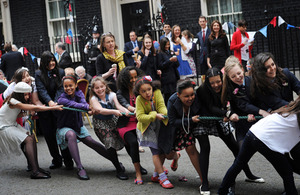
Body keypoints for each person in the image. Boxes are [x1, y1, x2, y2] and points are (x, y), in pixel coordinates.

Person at [195, 68, 263, 195]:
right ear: (207, 82)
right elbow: (210, 107)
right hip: (203, 118)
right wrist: (227, 113)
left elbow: (234, 102)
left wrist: (234, 113)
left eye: (218, 82)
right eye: (212, 83)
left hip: (220, 118)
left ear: (222, 79)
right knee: (205, 147)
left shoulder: (227, 86)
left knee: (235, 147)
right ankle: (204, 183)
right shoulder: (202, 89)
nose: (216, 85)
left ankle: (249, 174)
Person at [218, 97, 300, 195]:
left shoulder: (288, 109)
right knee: (287, 172)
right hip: (266, 141)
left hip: (253, 132)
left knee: (238, 164)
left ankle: (222, 191)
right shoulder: (296, 117)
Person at [56, 75, 126, 180]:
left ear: (76, 85)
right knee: (71, 135)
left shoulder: (79, 93)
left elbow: (83, 102)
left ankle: (115, 162)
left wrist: (87, 107)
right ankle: (80, 168)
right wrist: (88, 107)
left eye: (71, 85)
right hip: (64, 127)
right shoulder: (62, 98)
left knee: (91, 142)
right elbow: (73, 104)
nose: (68, 88)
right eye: (66, 86)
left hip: (78, 126)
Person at [0, 82, 63, 179]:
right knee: (28, 139)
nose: (26, 97)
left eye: (27, 94)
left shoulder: (15, 100)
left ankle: (35, 167)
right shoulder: (13, 100)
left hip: (11, 124)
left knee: (32, 137)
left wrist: (28, 113)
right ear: (19, 94)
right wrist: (52, 107)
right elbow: (35, 107)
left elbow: (16, 114)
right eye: (24, 95)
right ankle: (35, 171)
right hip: (4, 126)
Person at [135, 76, 179, 189]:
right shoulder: (139, 99)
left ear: (152, 87)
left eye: (149, 89)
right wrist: (154, 115)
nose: (147, 93)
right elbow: (140, 117)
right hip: (147, 128)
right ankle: (162, 178)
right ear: (139, 92)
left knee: (163, 151)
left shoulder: (157, 92)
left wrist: (167, 116)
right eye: (143, 91)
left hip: (159, 125)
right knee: (155, 152)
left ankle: (158, 172)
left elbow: (162, 107)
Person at [35, 51, 73, 170]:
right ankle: (56, 159)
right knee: (49, 135)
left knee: (61, 133)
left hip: (58, 107)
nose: (52, 63)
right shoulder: (38, 74)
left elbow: (61, 88)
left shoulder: (60, 72)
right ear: (43, 62)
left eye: (53, 60)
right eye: (49, 61)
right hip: (46, 109)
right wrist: (50, 103)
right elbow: (41, 90)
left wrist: (55, 102)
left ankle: (68, 159)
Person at [89, 76, 129, 180]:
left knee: (127, 138)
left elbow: (118, 106)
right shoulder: (93, 99)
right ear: (93, 89)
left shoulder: (112, 95)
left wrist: (125, 110)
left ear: (105, 86)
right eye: (96, 88)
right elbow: (100, 110)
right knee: (109, 143)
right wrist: (114, 111)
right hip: (101, 124)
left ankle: (137, 164)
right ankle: (118, 169)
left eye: (101, 86)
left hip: (113, 121)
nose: (100, 89)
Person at [167, 80, 203, 191]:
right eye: (186, 96)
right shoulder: (172, 101)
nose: (190, 98)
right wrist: (190, 120)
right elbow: (172, 121)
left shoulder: (197, 97)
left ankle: (203, 179)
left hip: (193, 125)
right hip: (177, 127)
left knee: (191, 149)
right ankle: (176, 156)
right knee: (168, 155)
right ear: (178, 95)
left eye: (192, 94)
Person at [116, 66, 148, 184]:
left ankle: (158, 169)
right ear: (125, 79)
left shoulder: (141, 89)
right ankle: (138, 172)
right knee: (133, 142)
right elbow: (124, 104)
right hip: (125, 124)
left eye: (136, 77)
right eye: (131, 78)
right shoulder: (120, 92)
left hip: (140, 122)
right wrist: (134, 109)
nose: (134, 80)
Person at [157, 37, 180, 103]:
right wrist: (169, 60)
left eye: (168, 44)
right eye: (166, 45)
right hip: (166, 78)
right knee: (168, 96)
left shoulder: (170, 52)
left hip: (173, 77)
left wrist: (175, 60)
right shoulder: (160, 54)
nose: (167, 46)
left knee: (175, 94)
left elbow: (177, 65)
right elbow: (161, 65)